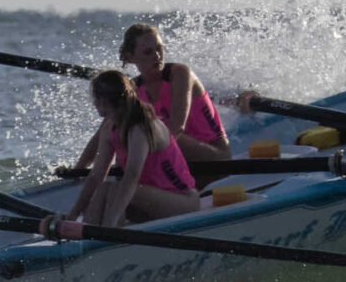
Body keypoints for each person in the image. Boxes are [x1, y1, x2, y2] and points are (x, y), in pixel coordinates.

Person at [67, 24, 232, 183]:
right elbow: (102, 133)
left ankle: (129, 185)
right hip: (181, 163)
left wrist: (139, 158)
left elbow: (177, 127)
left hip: (216, 158)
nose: (157, 57)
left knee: (142, 135)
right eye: (148, 52)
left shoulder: (180, 74)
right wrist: (78, 169)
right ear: (131, 58)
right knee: (118, 133)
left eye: (159, 49)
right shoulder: (132, 89)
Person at [67, 70, 202, 227]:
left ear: (104, 101)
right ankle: (86, 238)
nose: (93, 103)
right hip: (150, 201)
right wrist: (73, 214)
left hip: (183, 201)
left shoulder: (141, 127)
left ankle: (108, 237)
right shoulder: (109, 127)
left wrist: (109, 224)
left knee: (115, 189)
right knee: (104, 188)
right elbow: (96, 178)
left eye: (95, 98)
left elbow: (131, 177)